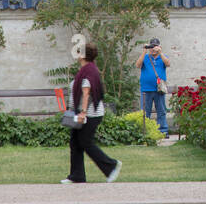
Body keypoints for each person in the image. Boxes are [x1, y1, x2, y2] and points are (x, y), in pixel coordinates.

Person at [63, 43, 122, 184]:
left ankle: (111, 166)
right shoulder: (88, 69)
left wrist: (83, 112)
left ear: (83, 55)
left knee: (85, 142)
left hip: (89, 114)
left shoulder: (88, 71)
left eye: (78, 52)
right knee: (75, 143)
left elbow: (86, 92)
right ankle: (77, 176)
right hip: (81, 113)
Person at [135, 37, 170, 139]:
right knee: (145, 112)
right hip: (146, 89)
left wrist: (161, 53)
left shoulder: (163, 57)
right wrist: (144, 51)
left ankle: (163, 131)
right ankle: (145, 131)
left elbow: (168, 63)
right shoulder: (145, 57)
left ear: (159, 46)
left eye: (155, 46)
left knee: (161, 111)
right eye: (152, 46)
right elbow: (138, 65)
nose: (153, 49)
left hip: (159, 89)